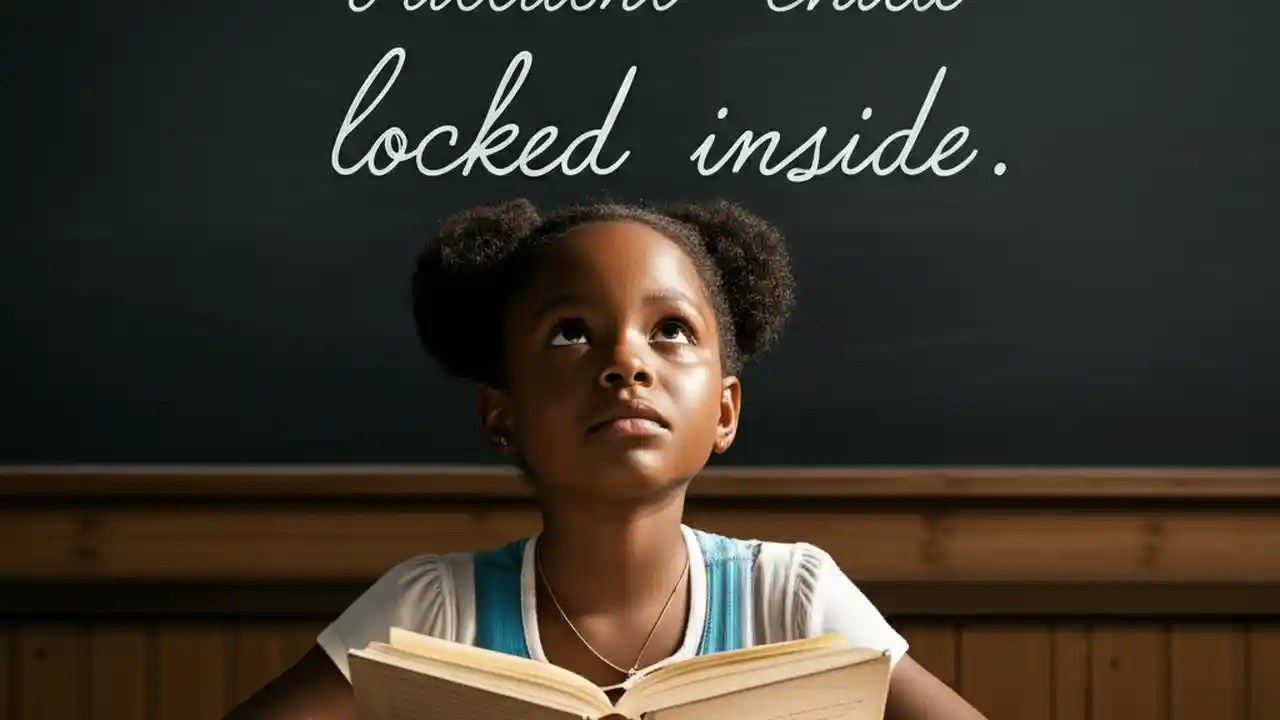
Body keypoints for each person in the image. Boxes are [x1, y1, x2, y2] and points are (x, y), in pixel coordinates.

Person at [224, 198, 987, 719]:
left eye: (671, 331)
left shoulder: (790, 596)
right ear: (503, 415)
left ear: (724, 410)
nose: (626, 362)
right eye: (569, 333)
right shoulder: (431, 609)